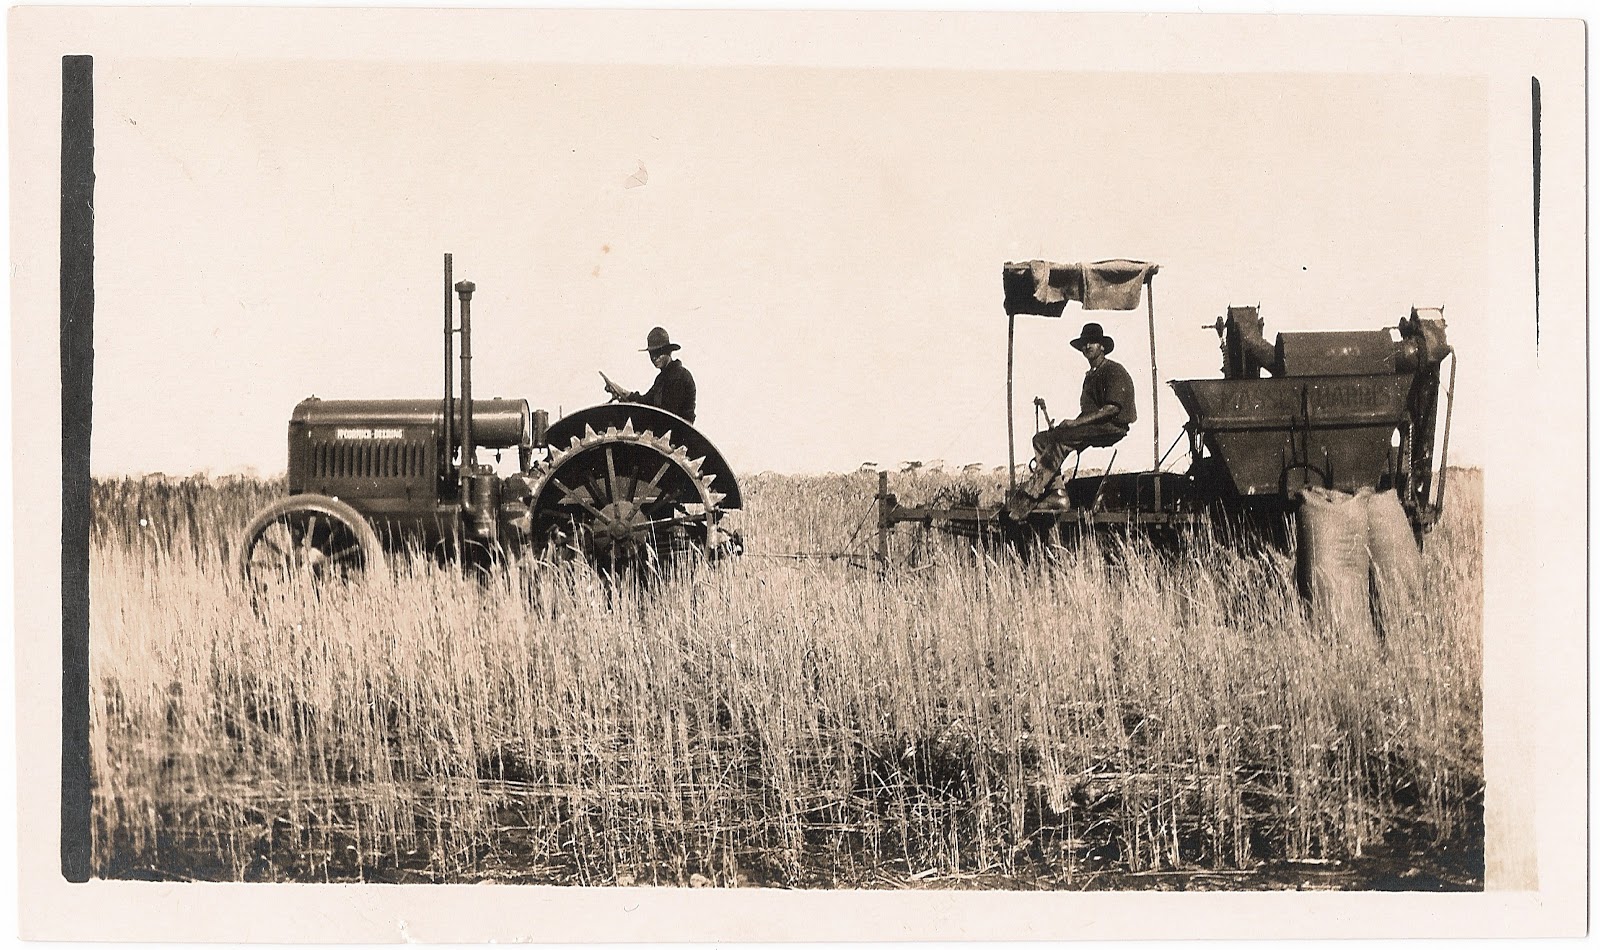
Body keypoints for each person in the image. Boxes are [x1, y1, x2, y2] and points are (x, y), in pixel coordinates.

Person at [1010, 322, 1135, 511]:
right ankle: (1057, 494)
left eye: (1091, 342)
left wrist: (1075, 424)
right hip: (1094, 426)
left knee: (1061, 440)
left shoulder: (1114, 371)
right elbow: (1088, 413)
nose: (1086, 347)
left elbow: (1112, 409)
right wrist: (1069, 426)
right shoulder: (1091, 375)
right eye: (1084, 343)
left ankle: (1030, 494)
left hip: (1111, 426)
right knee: (1041, 439)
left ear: (1102, 346)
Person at [602, 326, 697, 423]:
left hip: (678, 431)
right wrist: (623, 392)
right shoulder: (661, 378)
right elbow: (646, 401)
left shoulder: (680, 376)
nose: (654, 358)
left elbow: (667, 414)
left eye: (658, 353)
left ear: (668, 352)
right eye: (651, 354)